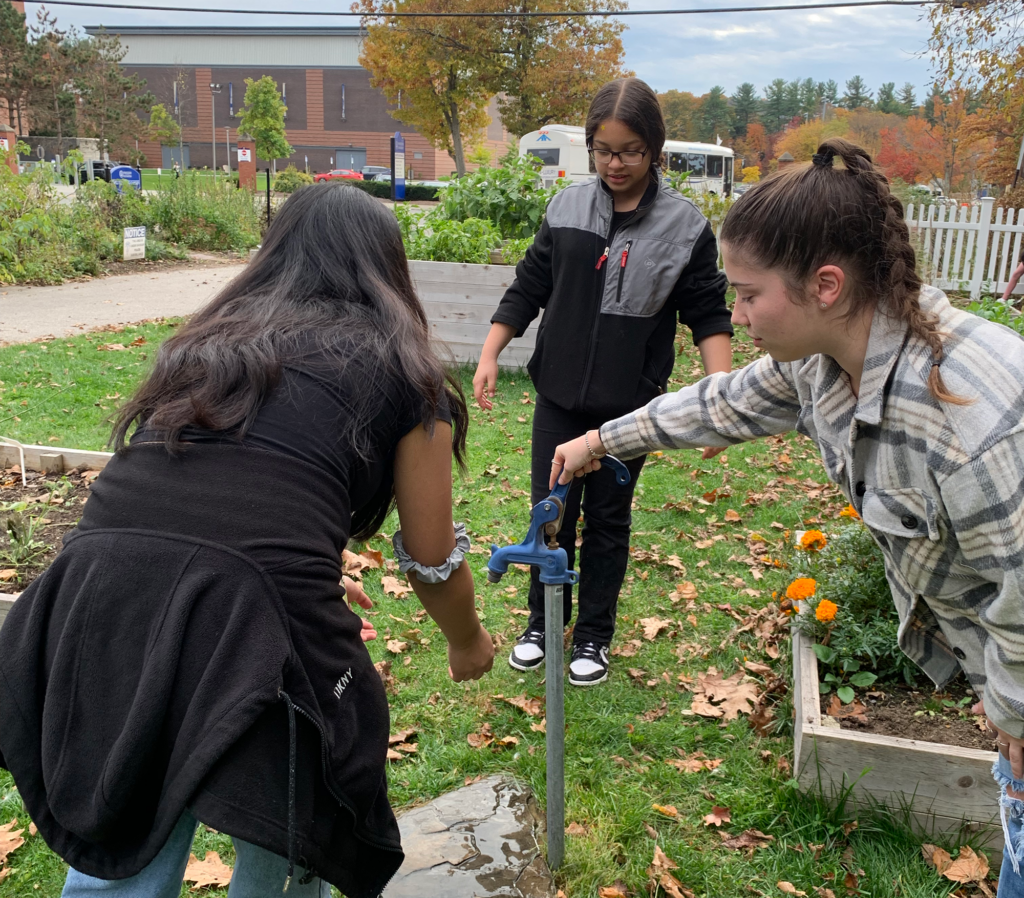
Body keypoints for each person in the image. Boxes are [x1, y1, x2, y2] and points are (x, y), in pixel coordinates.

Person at [552, 137, 1024, 896]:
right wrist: (601, 440)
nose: (733, 316)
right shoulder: (820, 363)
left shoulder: (969, 415)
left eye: (746, 293)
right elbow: (721, 402)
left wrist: (1016, 716)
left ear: (826, 285)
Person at [0, 183, 494, 898]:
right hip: (247, 607)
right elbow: (429, 559)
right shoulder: (411, 381)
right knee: (297, 818)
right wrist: (466, 640)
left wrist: (309, 563)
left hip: (95, 591)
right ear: (388, 268)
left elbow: (212, 500)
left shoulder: (203, 346)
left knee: (125, 838)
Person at [473, 77, 733, 687]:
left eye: (631, 151)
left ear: (655, 151)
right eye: (604, 149)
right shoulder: (565, 208)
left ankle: (593, 635)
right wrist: (490, 353)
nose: (616, 163)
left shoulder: (684, 227)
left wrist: (719, 399)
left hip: (627, 412)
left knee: (609, 521)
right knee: (550, 512)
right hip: (559, 397)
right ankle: (542, 622)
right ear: (591, 146)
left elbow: (709, 315)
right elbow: (529, 287)